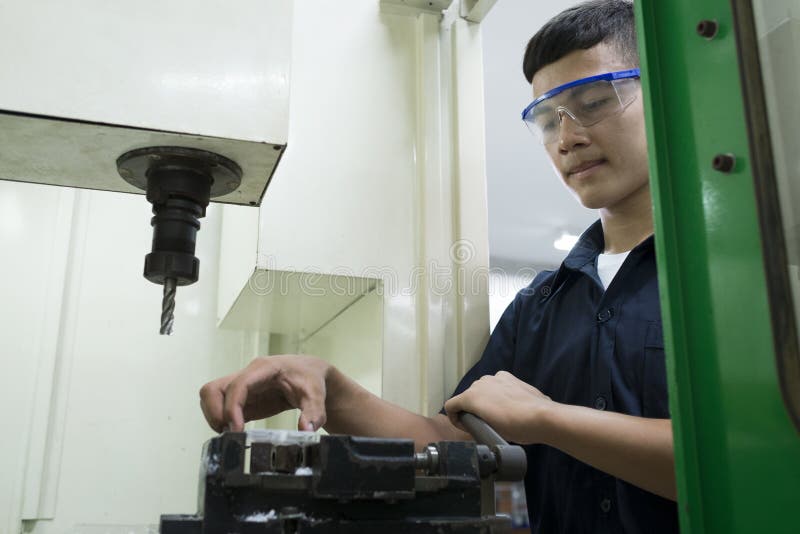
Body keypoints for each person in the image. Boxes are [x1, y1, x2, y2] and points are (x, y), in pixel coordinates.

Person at [199, 1, 678, 532]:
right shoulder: (540, 305)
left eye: (592, 102)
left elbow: (758, 457)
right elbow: (462, 446)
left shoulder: (739, 279)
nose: (567, 139)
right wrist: (332, 388)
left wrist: (549, 420)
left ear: (665, 93)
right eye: (547, 119)